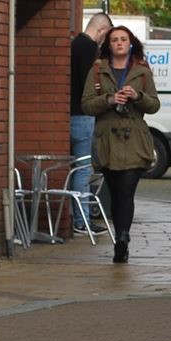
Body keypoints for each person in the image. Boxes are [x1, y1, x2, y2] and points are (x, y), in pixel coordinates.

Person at [80, 25, 159, 264]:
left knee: (127, 190)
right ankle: (119, 236)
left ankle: (123, 237)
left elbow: (154, 105)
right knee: (115, 191)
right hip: (108, 138)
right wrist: (110, 99)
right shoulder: (97, 70)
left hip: (134, 137)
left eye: (124, 39)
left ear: (131, 43)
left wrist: (138, 97)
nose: (119, 43)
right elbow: (86, 104)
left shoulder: (142, 71)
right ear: (109, 45)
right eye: (114, 40)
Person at [69, 12, 110, 229]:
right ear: (102, 30)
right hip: (83, 117)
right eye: (106, 36)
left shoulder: (74, 45)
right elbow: (92, 86)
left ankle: (74, 218)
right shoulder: (89, 49)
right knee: (83, 169)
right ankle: (81, 220)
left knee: (73, 168)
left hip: (68, 114)